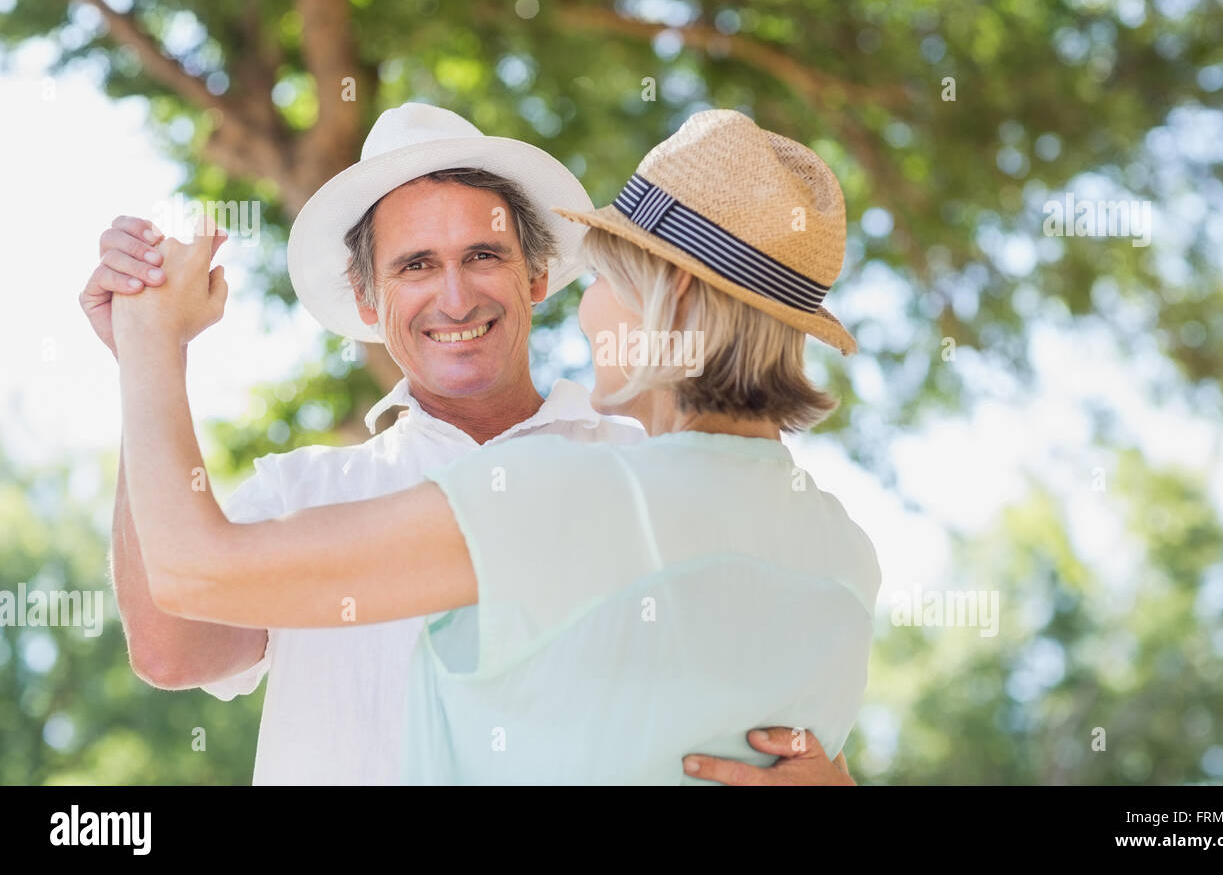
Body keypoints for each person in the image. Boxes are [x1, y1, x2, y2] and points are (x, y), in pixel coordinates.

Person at [107, 108, 881, 784]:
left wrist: (151, 346)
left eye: (484, 255)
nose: (455, 296)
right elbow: (171, 644)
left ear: (538, 274)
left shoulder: (608, 480)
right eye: (415, 265)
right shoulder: (832, 543)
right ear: (368, 299)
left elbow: (193, 565)